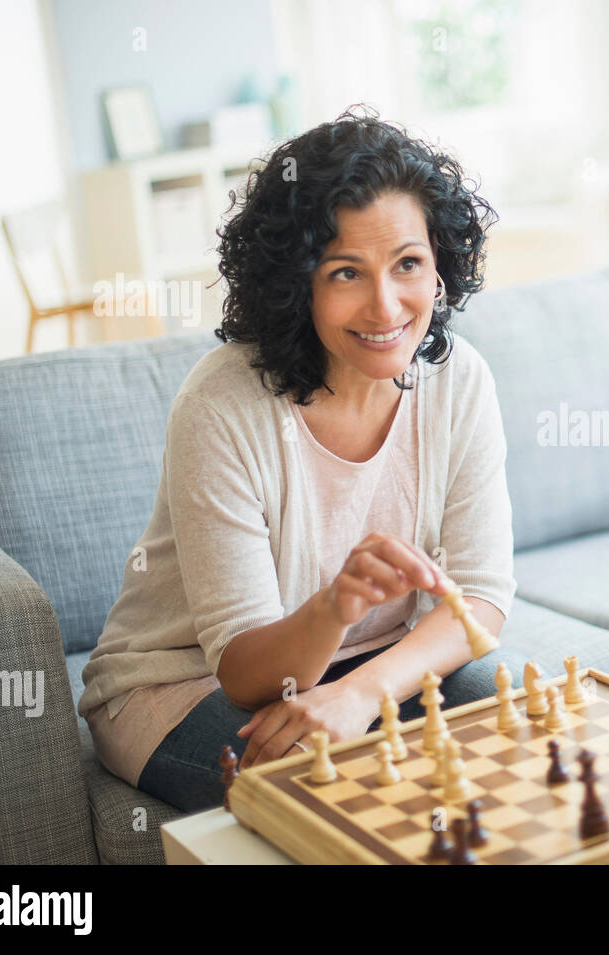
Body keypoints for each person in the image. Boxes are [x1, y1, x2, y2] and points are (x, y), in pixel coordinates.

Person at [78, 110, 529, 812]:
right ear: (298, 284)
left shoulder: (458, 380)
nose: (386, 306)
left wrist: (358, 693)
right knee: (354, 794)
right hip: (180, 685)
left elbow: (479, 598)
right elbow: (245, 672)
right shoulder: (222, 405)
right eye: (346, 272)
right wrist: (334, 607)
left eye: (407, 263)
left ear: (439, 262)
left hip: (358, 669)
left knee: (516, 731)